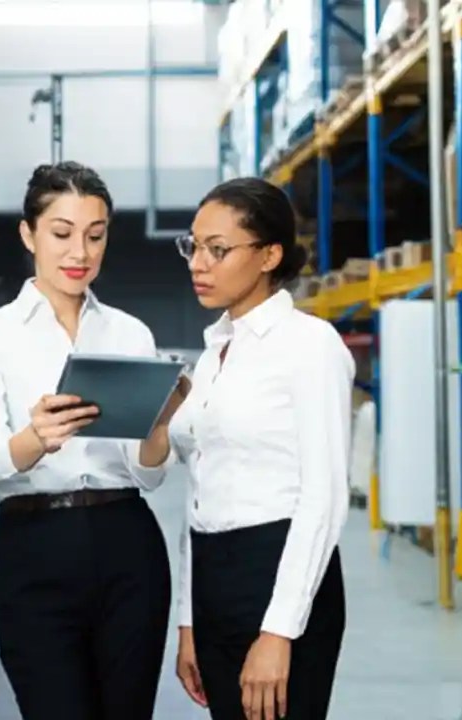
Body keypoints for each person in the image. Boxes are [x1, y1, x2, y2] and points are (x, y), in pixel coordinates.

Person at [0, 161, 186, 720]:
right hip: (32, 545)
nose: (79, 252)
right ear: (28, 233)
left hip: (127, 543)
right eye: (61, 233)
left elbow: (148, 473)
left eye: (95, 234)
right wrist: (35, 438)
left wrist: (160, 425)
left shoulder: (130, 333)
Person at [170, 177, 352, 720]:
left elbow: (324, 499)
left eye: (218, 250)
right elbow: (198, 494)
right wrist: (189, 620)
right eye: (193, 246)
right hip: (213, 579)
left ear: (270, 254)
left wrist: (278, 631)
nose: (198, 263)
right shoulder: (213, 354)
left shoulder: (310, 346)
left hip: (280, 574)